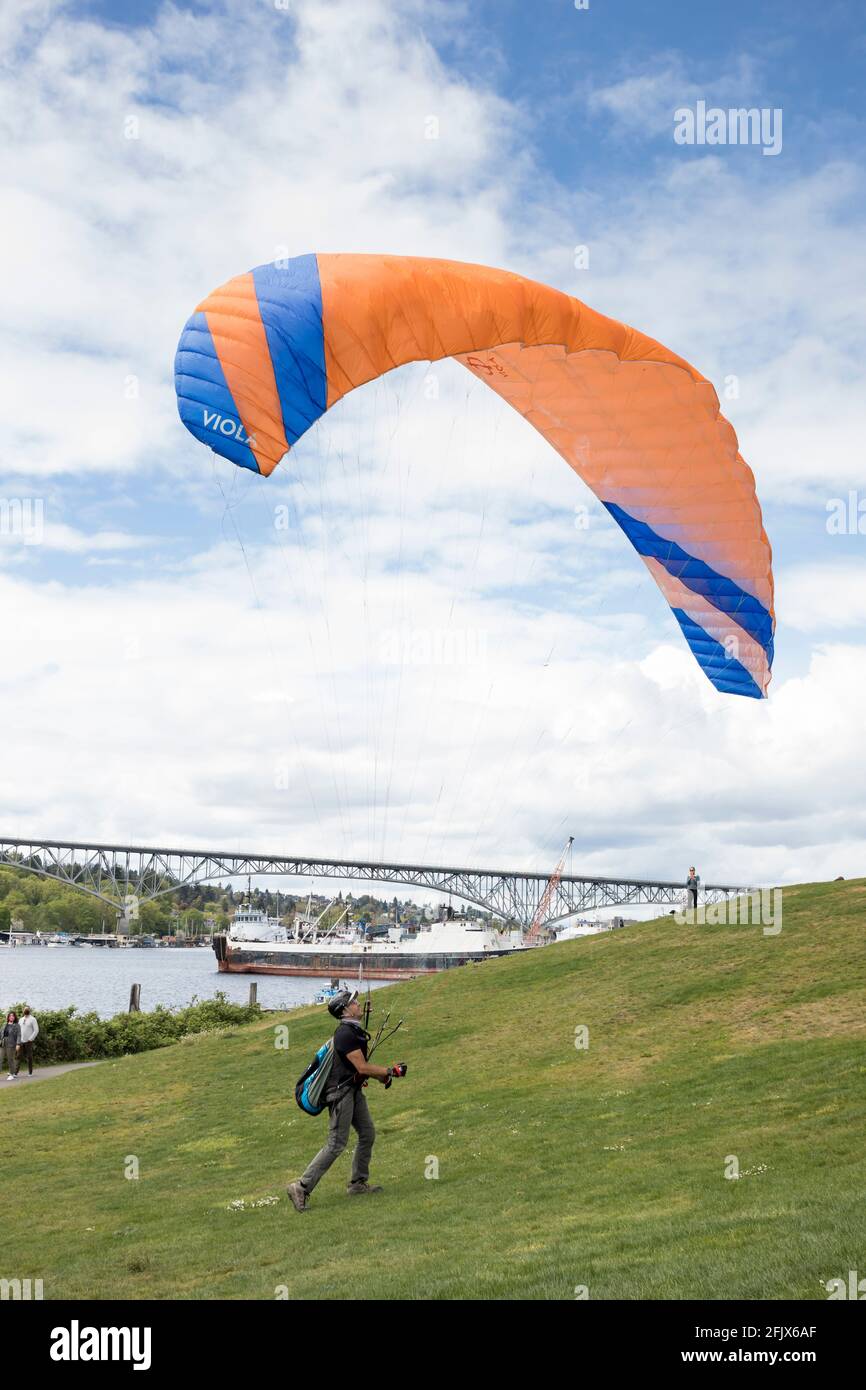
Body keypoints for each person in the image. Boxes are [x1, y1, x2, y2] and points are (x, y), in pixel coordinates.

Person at [287, 988, 400, 1211]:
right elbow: (362, 1066)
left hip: (353, 1090)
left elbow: (359, 1070)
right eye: (354, 1002)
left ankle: (357, 1183)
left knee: (367, 1133)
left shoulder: (354, 1032)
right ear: (345, 1011)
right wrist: (389, 1071)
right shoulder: (345, 1035)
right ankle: (301, 1186)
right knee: (336, 1143)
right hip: (339, 1094)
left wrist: (381, 1078)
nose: (358, 1004)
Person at [18, 1006, 39, 1076]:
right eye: (24, 1009)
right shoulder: (21, 1019)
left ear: (29, 1010)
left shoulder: (33, 1019)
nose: (26, 1010)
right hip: (21, 1041)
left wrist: (30, 1039)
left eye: (27, 1009)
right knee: (18, 1056)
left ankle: (30, 1072)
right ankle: (15, 1072)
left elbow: (36, 1030)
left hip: (28, 1041)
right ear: (23, 1011)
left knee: (29, 1057)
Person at [2, 1012, 21, 1081]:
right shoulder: (5, 1024)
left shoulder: (17, 1025)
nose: (11, 1017)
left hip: (11, 1044)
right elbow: (1, 1033)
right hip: (3, 1043)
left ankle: (12, 1074)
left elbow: (19, 1035)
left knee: (10, 1059)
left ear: (15, 1017)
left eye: (13, 1016)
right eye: (10, 1016)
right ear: (8, 1017)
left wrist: (18, 1044)